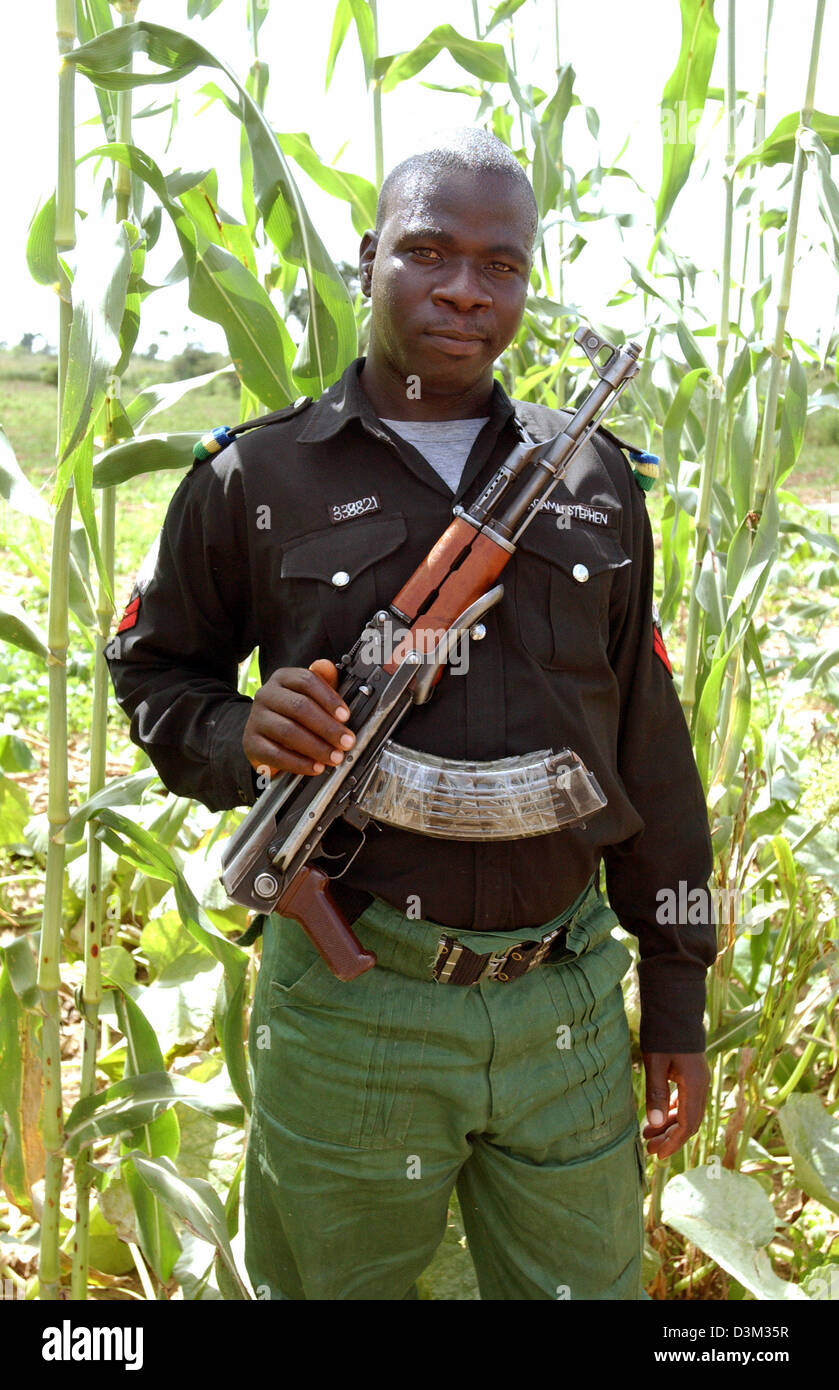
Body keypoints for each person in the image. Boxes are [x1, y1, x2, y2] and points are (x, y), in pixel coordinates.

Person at [105, 127, 716, 1301]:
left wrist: (677, 987)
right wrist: (243, 735)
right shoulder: (257, 477)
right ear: (367, 254)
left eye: (501, 265)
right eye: (428, 251)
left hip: (568, 1001)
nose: (463, 289)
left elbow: (651, 742)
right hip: (351, 999)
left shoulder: (592, 483)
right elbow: (153, 673)